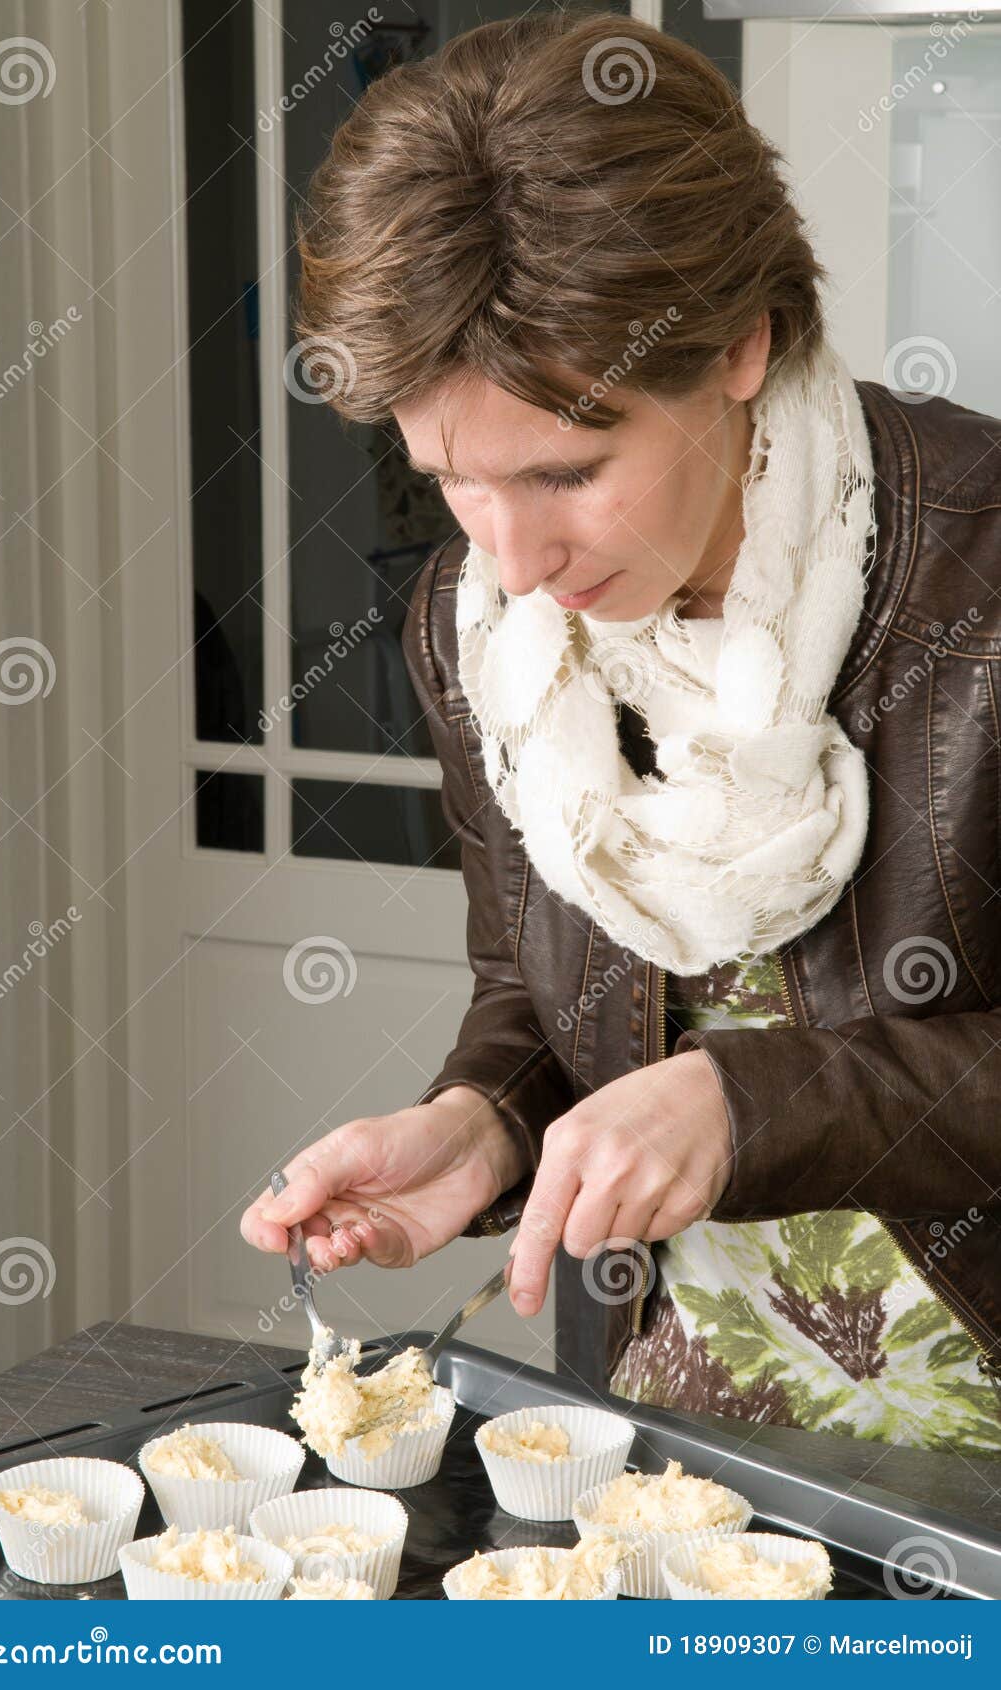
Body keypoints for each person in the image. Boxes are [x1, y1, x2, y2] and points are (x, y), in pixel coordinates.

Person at [242, 13, 1001, 1455]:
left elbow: (735, 1069)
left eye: (568, 470)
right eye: (452, 480)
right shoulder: (479, 633)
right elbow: (540, 986)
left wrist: (752, 1103)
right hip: (671, 1447)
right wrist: (482, 1121)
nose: (512, 559)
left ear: (738, 344)